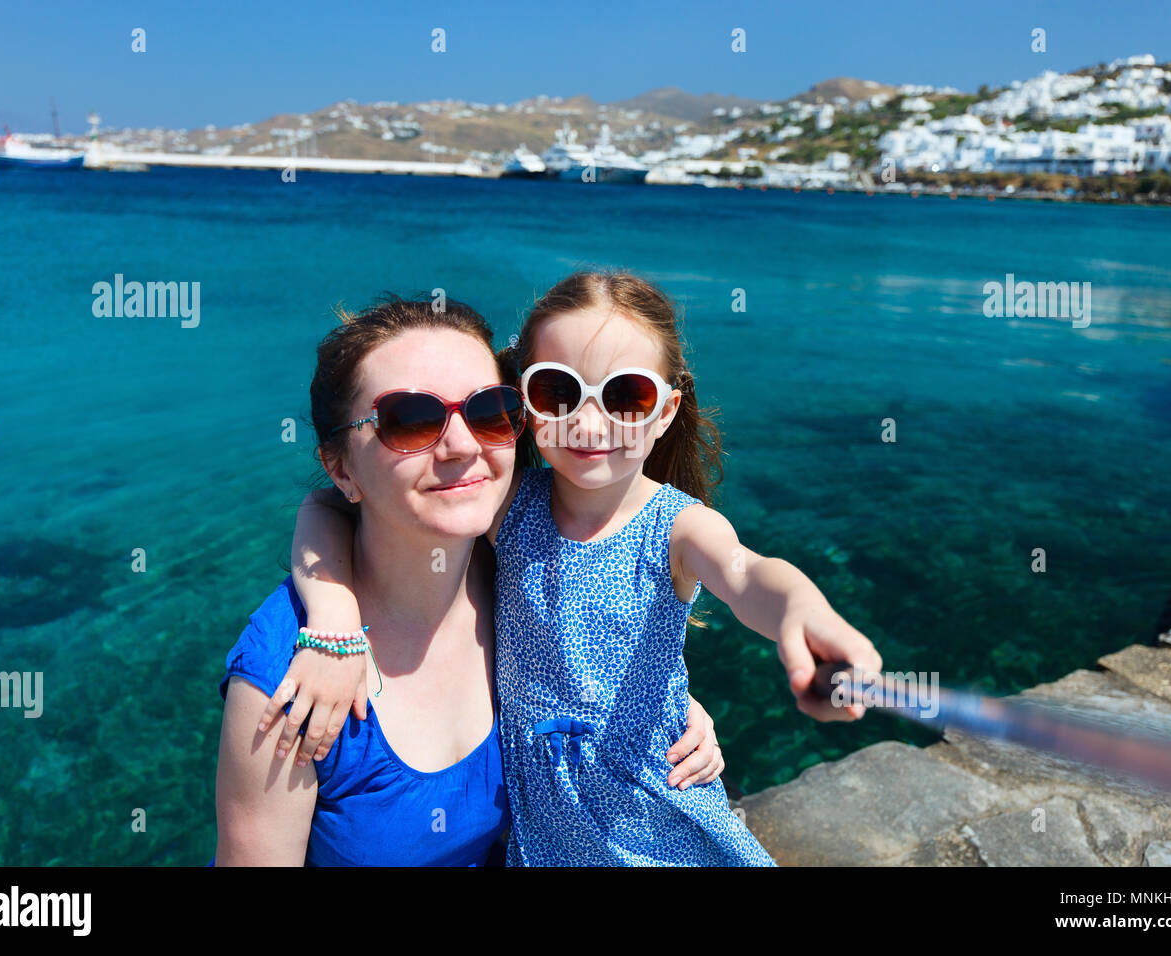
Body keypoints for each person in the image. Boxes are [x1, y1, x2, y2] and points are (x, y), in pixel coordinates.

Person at [279, 271, 883, 865]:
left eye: (625, 397)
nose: (590, 424)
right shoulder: (508, 505)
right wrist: (333, 611)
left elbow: (748, 575)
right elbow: (328, 504)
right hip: (548, 840)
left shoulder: (677, 528)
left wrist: (802, 613)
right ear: (525, 405)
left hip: (654, 825)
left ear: (667, 411)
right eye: (558, 393)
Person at [214, 295, 724, 866]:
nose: (462, 445)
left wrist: (655, 702)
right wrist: (331, 622)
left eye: (488, 410)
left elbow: (585, 665)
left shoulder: (519, 572)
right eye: (409, 419)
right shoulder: (290, 679)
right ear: (340, 467)